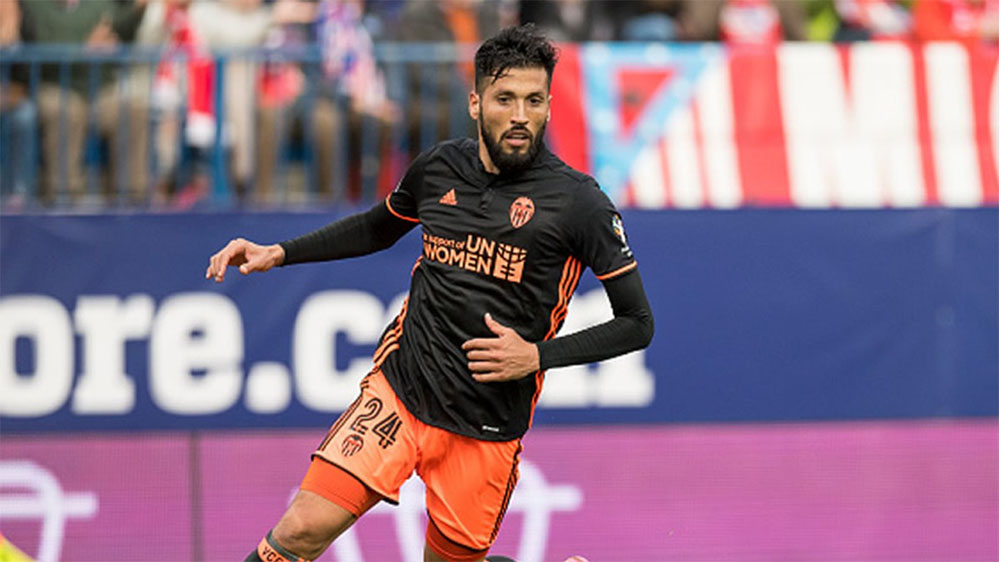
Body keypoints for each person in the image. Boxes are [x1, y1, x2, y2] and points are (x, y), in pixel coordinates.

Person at [206, 24, 654, 562]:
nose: (520, 115)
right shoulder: (439, 168)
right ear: (475, 102)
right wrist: (279, 252)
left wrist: (536, 356)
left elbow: (637, 323)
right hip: (401, 390)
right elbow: (377, 228)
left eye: (534, 101)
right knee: (300, 530)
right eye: (505, 99)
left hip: (486, 423)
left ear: (549, 106)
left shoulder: (580, 203)